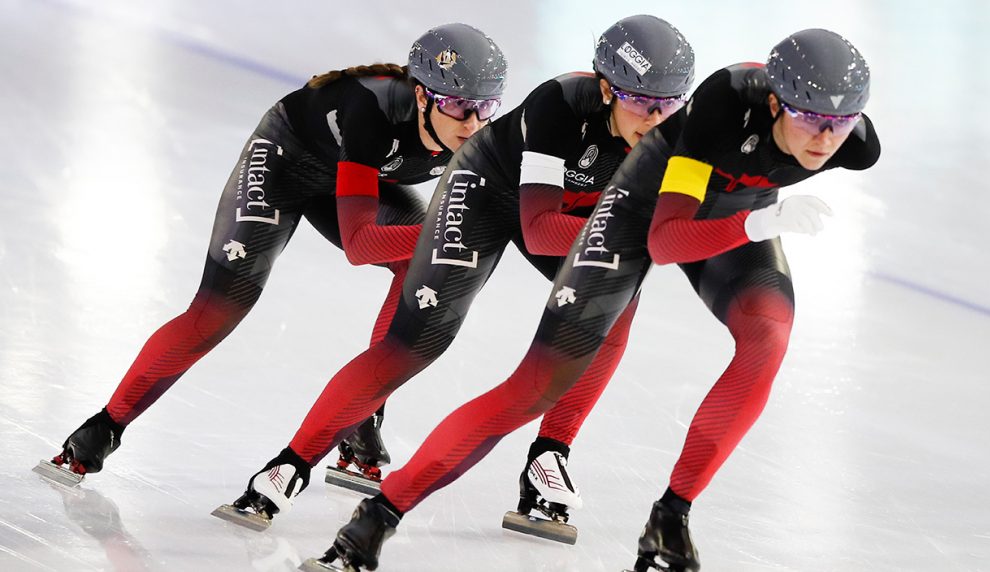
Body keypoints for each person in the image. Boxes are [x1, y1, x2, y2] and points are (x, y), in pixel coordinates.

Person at [305, 28, 880, 572]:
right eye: (810, 118)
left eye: (839, 122)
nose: (825, 138)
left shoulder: (854, 144)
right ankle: (377, 518)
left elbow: (810, 152)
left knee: (768, 339)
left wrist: (756, 217)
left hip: (735, 212)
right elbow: (666, 239)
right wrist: (760, 224)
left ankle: (670, 519)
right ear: (777, 104)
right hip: (647, 213)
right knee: (534, 388)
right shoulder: (719, 110)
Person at [224, 14, 696, 534]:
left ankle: (549, 457)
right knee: (420, 342)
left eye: (670, 103)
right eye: (639, 100)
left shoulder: (678, 133)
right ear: (607, 88)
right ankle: (290, 465)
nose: (655, 117)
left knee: (616, 306)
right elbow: (538, 229)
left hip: (562, 213)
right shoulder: (559, 104)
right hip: (487, 196)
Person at [34, 23, 507, 489]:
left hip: (356, 178)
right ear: (423, 95)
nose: (474, 124)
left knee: (420, 266)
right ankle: (103, 426)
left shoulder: (482, 136)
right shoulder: (372, 109)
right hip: (287, 162)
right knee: (218, 309)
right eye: (460, 106)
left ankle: (363, 412)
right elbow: (361, 244)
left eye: (486, 107)